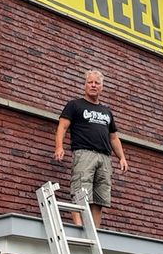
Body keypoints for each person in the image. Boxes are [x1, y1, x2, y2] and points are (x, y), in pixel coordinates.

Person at [53, 70, 129, 227]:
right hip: (84, 153)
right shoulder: (74, 105)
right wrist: (59, 147)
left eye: (97, 83)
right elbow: (62, 126)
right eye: (90, 82)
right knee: (80, 190)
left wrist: (121, 157)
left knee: (99, 198)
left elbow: (113, 137)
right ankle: (79, 226)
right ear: (85, 85)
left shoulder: (107, 112)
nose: (93, 85)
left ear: (102, 87)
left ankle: (95, 230)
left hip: (104, 157)